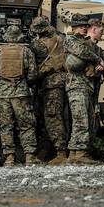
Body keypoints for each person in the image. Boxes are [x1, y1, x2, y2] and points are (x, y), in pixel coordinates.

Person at [0, 24, 40, 167]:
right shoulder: (27, 52)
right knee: (26, 125)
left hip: (2, 95)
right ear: (19, 37)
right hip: (21, 93)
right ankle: (30, 157)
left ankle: (9, 158)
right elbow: (33, 74)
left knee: (5, 126)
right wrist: (25, 83)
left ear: (6, 37)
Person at [63, 13, 104, 163]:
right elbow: (81, 52)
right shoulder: (70, 40)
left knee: (84, 118)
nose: (85, 29)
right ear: (75, 27)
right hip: (76, 84)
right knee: (81, 118)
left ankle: (76, 153)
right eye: (82, 26)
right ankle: (80, 153)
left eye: (86, 26)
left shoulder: (84, 42)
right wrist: (97, 59)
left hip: (85, 85)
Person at [29, 15, 68, 164]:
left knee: (52, 117)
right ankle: (47, 151)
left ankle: (61, 153)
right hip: (65, 82)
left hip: (50, 84)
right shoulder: (61, 39)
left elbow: (33, 68)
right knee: (62, 117)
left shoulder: (37, 44)